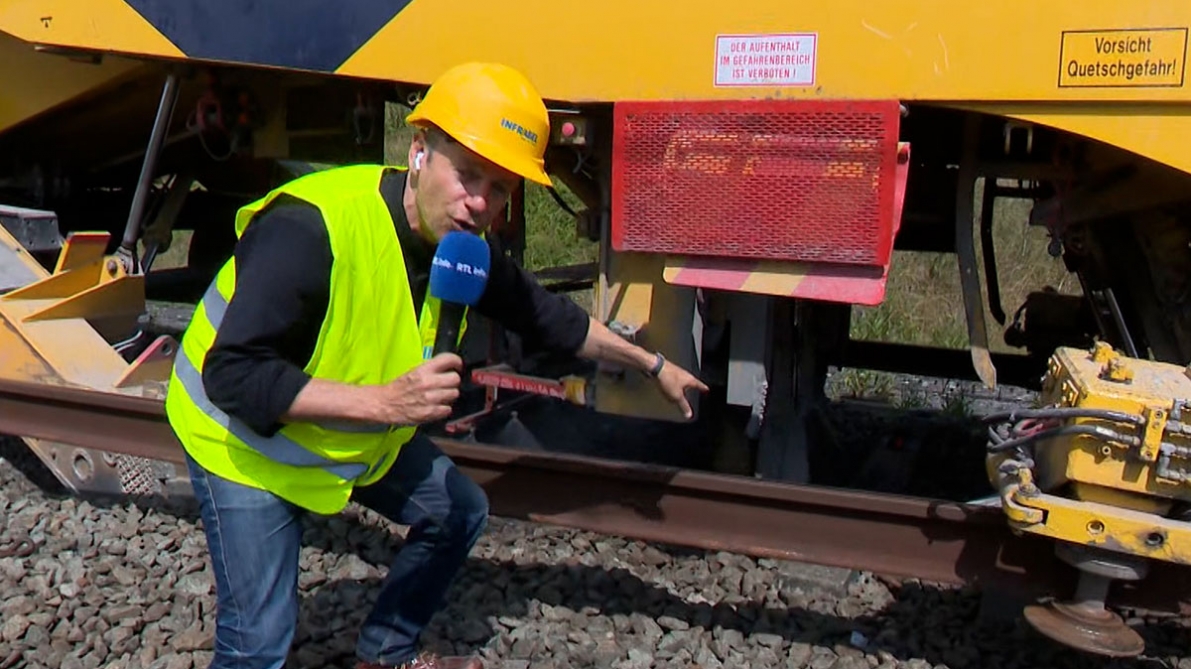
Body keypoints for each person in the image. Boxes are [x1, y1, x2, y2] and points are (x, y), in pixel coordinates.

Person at [163, 61, 708, 669]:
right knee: (260, 642)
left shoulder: (464, 251)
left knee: (459, 512)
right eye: (468, 174)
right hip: (241, 444)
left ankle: (385, 654)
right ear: (420, 151)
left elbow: (546, 315)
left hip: (349, 436)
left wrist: (653, 363)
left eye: (500, 188)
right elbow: (233, 376)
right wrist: (386, 405)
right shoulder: (310, 229)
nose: (480, 203)